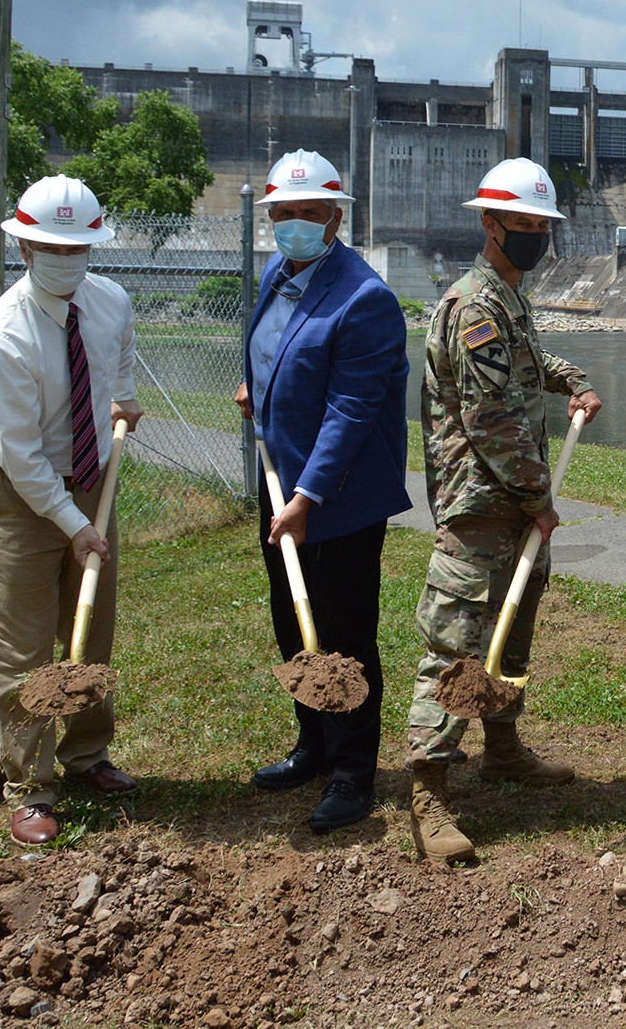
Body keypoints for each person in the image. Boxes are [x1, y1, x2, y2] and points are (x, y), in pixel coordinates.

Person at [407, 156, 603, 864]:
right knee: (456, 646)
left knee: (511, 636)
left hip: (515, 503)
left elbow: (528, 365)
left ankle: (504, 748)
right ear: (489, 224)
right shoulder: (474, 305)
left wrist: (571, 380)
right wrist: (538, 498)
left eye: (540, 225)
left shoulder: (508, 299)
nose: (533, 236)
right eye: (521, 224)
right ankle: (428, 792)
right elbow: (487, 416)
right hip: (481, 505)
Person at [0, 175, 144, 845]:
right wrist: (72, 527)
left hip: (94, 477)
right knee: (24, 642)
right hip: (17, 494)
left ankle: (88, 753)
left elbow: (118, 373)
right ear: (24, 246)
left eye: (78, 247)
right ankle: (31, 786)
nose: (65, 259)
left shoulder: (111, 302)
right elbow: (22, 460)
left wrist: (123, 403)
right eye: (50, 246)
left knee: (90, 628)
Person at [234, 150, 412, 834]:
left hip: (334, 502)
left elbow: (352, 409)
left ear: (336, 217)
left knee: (341, 633)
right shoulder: (278, 275)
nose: (296, 224)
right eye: (285, 213)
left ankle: (351, 770)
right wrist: (258, 386)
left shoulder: (364, 299)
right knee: (291, 621)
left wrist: (307, 499)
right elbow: (274, 351)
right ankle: (312, 742)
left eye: (311, 213)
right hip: (280, 487)